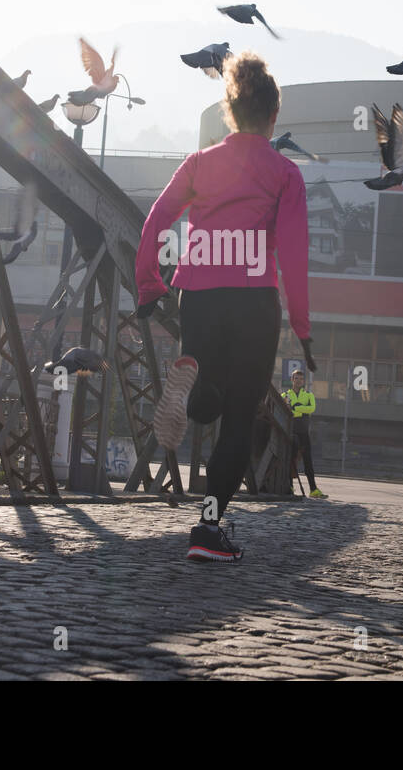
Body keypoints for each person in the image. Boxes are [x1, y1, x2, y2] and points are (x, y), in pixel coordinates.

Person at [136, 51, 312, 563]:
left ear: (228, 111)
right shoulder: (285, 174)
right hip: (254, 301)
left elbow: (155, 222)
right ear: (274, 116)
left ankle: (197, 391)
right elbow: (295, 257)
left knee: (210, 382)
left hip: (201, 295)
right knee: (240, 421)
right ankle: (208, 528)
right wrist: (302, 325)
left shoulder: (199, 163)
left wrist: (150, 285)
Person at [283, 368, 326, 499]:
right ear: (292, 380)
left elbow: (311, 409)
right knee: (290, 459)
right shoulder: (285, 395)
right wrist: (302, 409)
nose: (299, 381)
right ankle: (289, 486)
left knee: (308, 460)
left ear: (304, 381)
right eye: (296, 378)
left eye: (301, 379)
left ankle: (313, 489)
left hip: (303, 431)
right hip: (290, 431)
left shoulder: (309, 395)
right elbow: (284, 410)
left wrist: (295, 407)